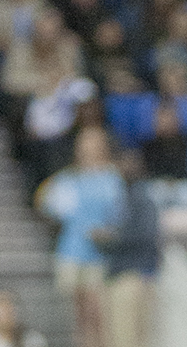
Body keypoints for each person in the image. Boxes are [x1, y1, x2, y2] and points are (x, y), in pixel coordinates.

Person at [36, 126, 125, 347]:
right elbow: (47, 203)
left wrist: (107, 231)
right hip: (72, 249)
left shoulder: (111, 177)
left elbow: (118, 213)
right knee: (78, 313)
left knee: (97, 311)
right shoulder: (68, 177)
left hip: (99, 252)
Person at [94, 150, 160, 347]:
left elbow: (146, 235)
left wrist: (112, 238)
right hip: (120, 274)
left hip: (132, 275)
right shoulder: (121, 197)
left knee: (127, 338)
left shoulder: (141, 199)